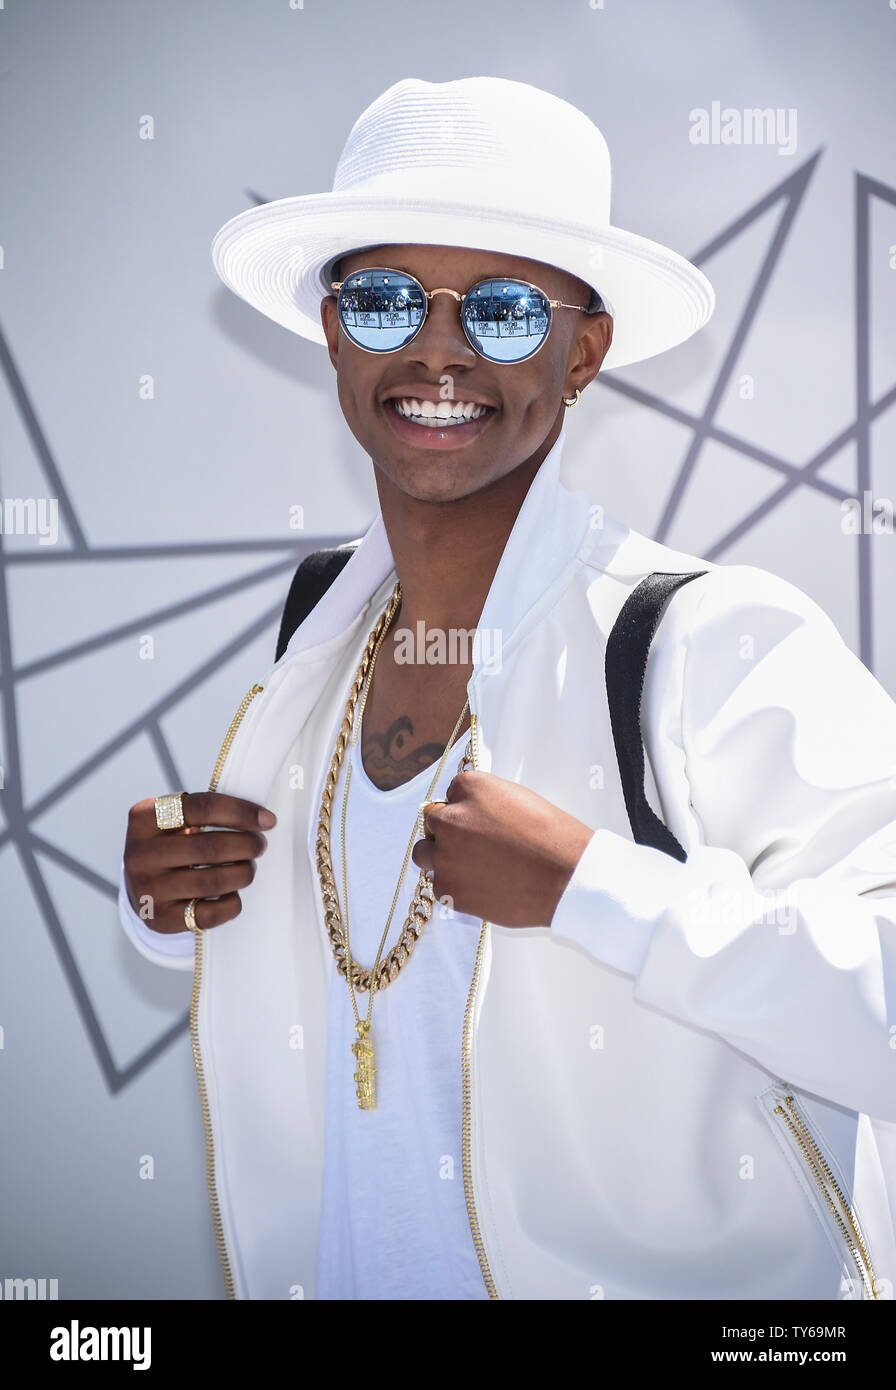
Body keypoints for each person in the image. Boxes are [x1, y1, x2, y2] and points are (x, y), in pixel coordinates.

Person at [118, 76, 896, 1301]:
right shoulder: (312, 643)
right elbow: (376, 986)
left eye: (502, 307)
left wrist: (594, 887)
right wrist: (172, 910)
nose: (436, 348)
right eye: (382, 301)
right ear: (333, 332)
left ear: (582, 349)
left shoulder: (703, 640)